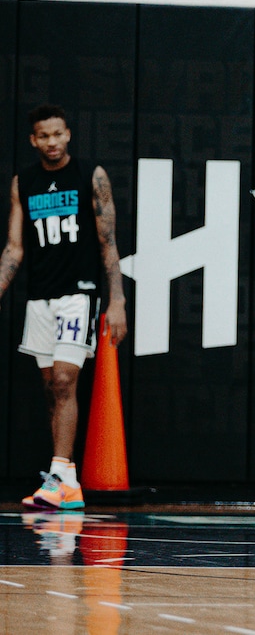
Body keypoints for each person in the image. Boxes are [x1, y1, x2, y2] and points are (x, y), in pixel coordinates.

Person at [0, 104, 128, 511]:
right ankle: (65, 479)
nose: (52, 142)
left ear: (69, 134)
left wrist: (118, 298)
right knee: (50, 389)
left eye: (58, 134)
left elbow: (108, 242)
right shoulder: (25, 182)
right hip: (40, 296)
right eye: (44, 136)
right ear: (33, 139)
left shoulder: (91, 176)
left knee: (64, 381)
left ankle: (59, 475)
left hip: (80, 293)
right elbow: (15, 248)